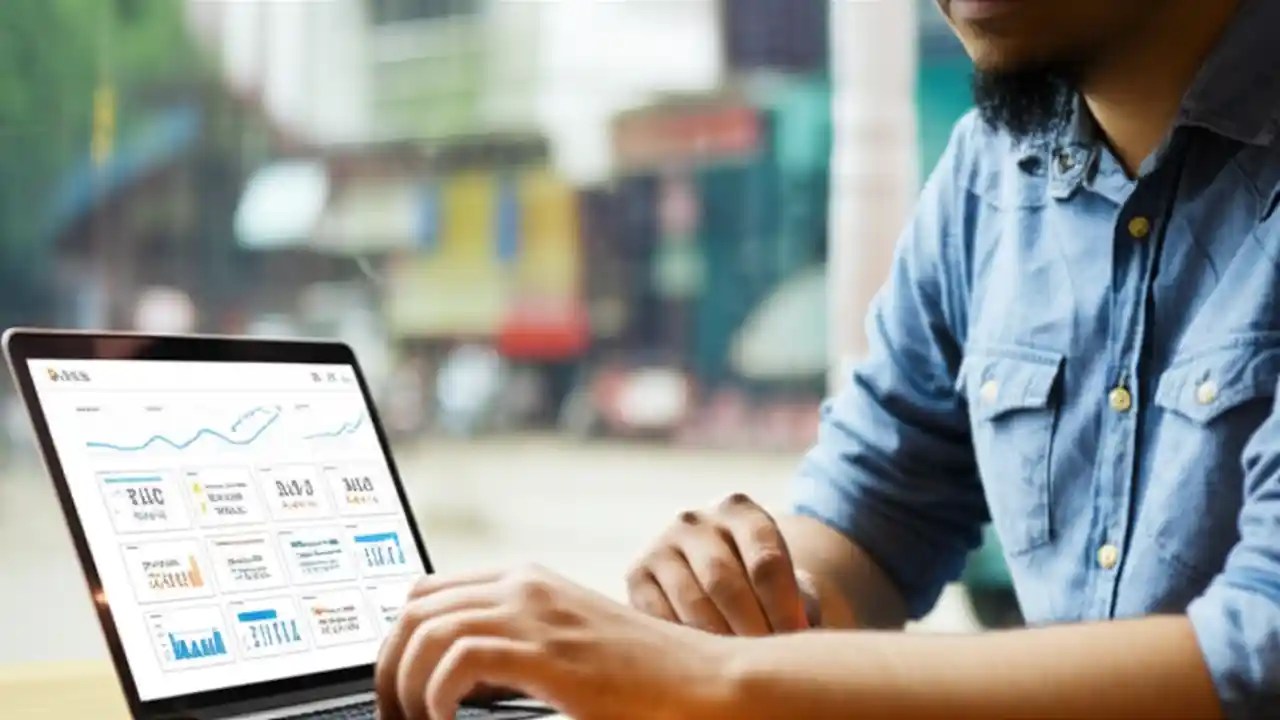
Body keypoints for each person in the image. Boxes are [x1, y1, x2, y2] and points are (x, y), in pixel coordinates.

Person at [375, 0, 1280, 717]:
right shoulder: (989, 178)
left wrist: (699, 682)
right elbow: (872, 520)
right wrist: (745, 596)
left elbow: (1257, 655)